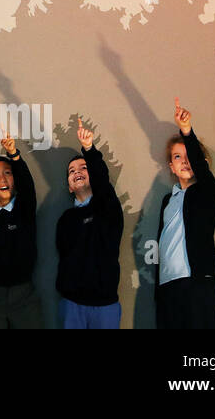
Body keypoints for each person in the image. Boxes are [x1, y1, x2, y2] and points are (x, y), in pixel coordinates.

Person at [156, 98, 215, 329]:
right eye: (177, 157)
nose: (184, 161)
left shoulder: (209, 191)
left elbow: (201, 170)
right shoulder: (168, 201)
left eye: (188, 156)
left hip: (196, 285)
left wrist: (186, 131)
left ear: (199, 161)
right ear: (171, 167)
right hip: (168, 287)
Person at [56, 119, 124, 329]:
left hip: (105, 304)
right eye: (71, 171)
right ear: (68, 186)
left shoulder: (108, 207)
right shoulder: (66, 219)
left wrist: (89, 149)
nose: (77, 172)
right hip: (72, 304)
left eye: (83, 168)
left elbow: (103, 182)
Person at [0, 131, 41, 328]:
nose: (3, 179)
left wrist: (13, 154)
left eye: (8, 173)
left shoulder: (24, 208)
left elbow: (28, 186)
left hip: (24, 294)